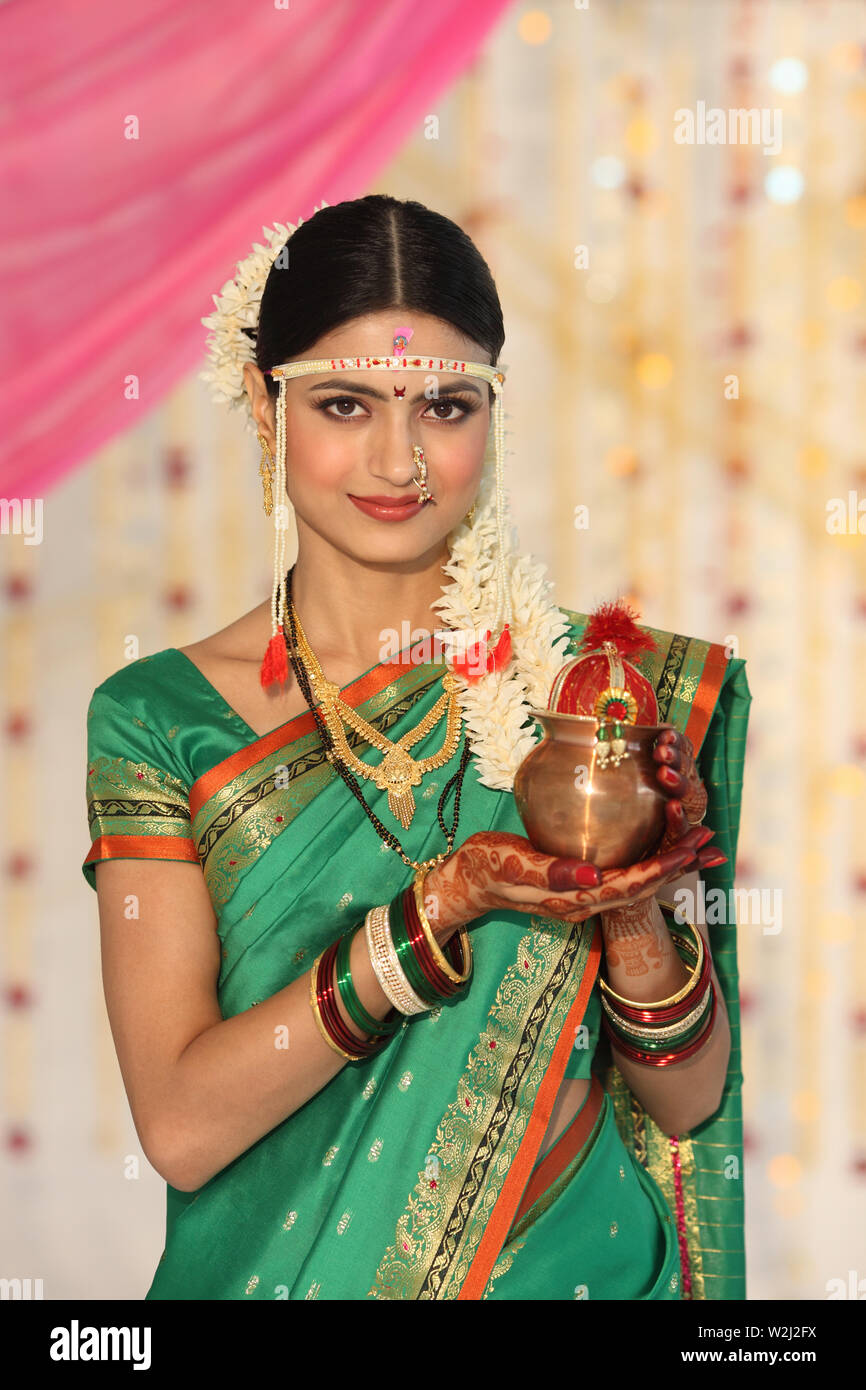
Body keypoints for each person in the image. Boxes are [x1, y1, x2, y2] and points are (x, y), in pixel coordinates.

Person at [82, 194, 751, 1301]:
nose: (398, 461)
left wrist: (627, 895)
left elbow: (683, 1102)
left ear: (492, 410)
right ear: (263, 400)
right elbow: (184, 1127)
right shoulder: (158, 719)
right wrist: (437, 909)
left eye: (443, 405)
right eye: (345, 403)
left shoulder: (591, 691)